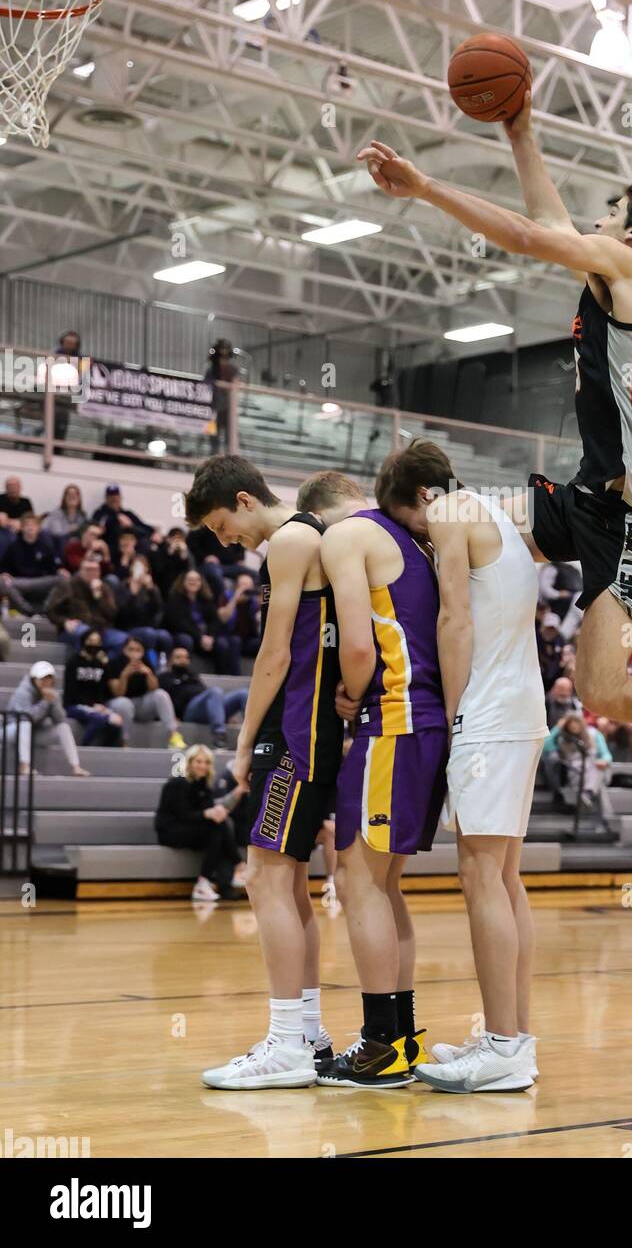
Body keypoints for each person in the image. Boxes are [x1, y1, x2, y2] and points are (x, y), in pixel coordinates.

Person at [357, 111, 632, 832]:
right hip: (583, 498)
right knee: (450, 519)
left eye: (610, 211)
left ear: (631, 234)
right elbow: (548, 219)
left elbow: (536, 235)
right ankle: (464, 694)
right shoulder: (610, 270)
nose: (594, 220)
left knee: (603, 688)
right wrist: (518, 129)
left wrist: (425, 186)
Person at [377, 441, 544, 1093]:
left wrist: (448, 720)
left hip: (489, 711)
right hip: (520, 706)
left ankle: (504, 1046)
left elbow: (454, 619)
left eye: (411, 523)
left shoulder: (449, 514)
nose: (419, 537)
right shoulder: (502, 514)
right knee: (503, 874)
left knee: (480, 874)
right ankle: (513, 1037)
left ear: (424, 497)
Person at [185, 456, 349, 1091]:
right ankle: (305, 1031)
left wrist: (244, 739)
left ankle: (286, 1043)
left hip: (296, 735)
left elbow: (274, 654)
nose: (226, 541)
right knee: (287, 882)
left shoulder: (289, 541)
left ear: (247, 500)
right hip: (313, 731)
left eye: (224, 526)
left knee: (263, 878)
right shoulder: (315, 535)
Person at [299, 466, 448, 1090]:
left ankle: (382, 1044)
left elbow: (359, 650)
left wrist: (347, 695)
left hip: (393, 721)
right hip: (429, 723)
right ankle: (402, 1037)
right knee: (383, 887)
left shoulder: (348, 536)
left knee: (355, 879)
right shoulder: (417, 542)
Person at [154, 745, 247, 900]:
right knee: (217, 828)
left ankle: (205, 883)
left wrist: (217, 812)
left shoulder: (203, 784)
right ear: (190, 762)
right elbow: (183, 815)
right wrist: (208, 813)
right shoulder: (178, 782)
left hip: (190, 828)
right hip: (170, 831)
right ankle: (239, 866)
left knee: (219, 827)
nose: (203, 766)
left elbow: (208, 809)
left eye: (206, 762)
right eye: (198, 761)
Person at [6, 661, 89, 777]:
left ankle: (75, 766)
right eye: (42, 678)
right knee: (25, 724)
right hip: (12, 730)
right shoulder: (22, 692)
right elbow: (28, 718)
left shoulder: (52, 694)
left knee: (64, 727)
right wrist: (45, 702)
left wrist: (54, 702)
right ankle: (24, 766)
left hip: (35, 733)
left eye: (49, 678)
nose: (46, 682)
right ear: (34, 679)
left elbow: (60, 719)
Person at [159, 646, 247, 748]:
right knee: (215, 691)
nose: (183, 660)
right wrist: (172, 715)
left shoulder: (193, 675)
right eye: (178, 657)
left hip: (208, 708)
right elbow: (163, 699)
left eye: (185, 657)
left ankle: (252, 735)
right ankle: (219, 735)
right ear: (170, 660)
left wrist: (225, 714)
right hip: (189, 712)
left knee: (243, 693)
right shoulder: (165, 677)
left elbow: (207, 694)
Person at [106, 637, 185, 750]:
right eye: (131, 649)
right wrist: (124, 675)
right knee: (124, 703)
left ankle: (174, 735)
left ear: (143, 652)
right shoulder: (114, 663)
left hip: (141, 705)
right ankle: (124, 742)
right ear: (124, 650)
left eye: (138, 650)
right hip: (118, 706)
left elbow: (154, 688)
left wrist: (148, 673)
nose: (134, 653)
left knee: (160, 694)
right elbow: (118, 693)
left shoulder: (146, 663)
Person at [164, 569, 241, 675]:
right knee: (185, 640)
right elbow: (179, 624)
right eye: (190, 579)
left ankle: (223, 675)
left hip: (205, 638)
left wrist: (210, 636)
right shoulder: (175, 600)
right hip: (187, 635)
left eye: (197, 580)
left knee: (223, 643)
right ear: (183, 582)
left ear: (201, 582)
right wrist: (200, 637)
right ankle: (185, 674)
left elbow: (215, 620)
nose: (193, 582)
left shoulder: (206, 599)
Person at [45, 556, 127, 653]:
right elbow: (50, 610)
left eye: (95, 570)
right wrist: (64, 622)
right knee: (87, 635)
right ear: (80, 571)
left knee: (124, 640)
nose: (92, 573)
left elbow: (112, 613)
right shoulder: (68, 585)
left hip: (101, 630)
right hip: (77, 628)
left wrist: (99, 597)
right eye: (88, 570)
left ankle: (105, 665)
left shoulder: (104, 588)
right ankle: (82, 664)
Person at [63, 630, 126, 747]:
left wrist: (107, 664)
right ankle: (83, 749)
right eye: (90, 641)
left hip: (96, 706)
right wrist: (92, 706)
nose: (94, 645)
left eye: (97, 642)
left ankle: (106, 752)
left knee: (117, 722)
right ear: (83, 642)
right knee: (99, 719)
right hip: (74, 705)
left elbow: (108, 690)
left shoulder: (101, 664)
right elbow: (71, 692)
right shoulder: (73, 662)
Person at [0, 512, 66, 613]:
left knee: (63, 579)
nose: (30, 528)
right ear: (21, 528)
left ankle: (46, 609)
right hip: (20, 582)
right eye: (27, 525)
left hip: (40, 582)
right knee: (2, 582)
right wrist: (4, 574)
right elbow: (4, 567)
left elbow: (54, 567)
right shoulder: (13, 547)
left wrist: (60, 570)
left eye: (33, 525)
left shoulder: (46, 546)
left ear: (39, 528)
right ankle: (29, 611)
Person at [91, 484, 152, 559]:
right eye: (111, 497)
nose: (114, 499)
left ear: (120, 497)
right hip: (110, 549)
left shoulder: (128, 514)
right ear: (106, 498)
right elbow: (96, 529)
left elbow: (145, 529)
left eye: (116, 496)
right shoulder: (100, 514)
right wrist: (114, 519)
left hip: (130, 548)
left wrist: (131, 526)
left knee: (145, 542)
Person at [204, 338, 239, 455]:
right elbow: (206, 386)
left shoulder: (233, 370)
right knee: (214, 435)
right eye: (222, 348)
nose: (224, 351)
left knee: (229, 435)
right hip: (214, 405)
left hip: (228, 406)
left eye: (226, 349)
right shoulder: (211, 370)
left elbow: (235, 385)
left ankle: (230, 457)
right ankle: (213, 456)